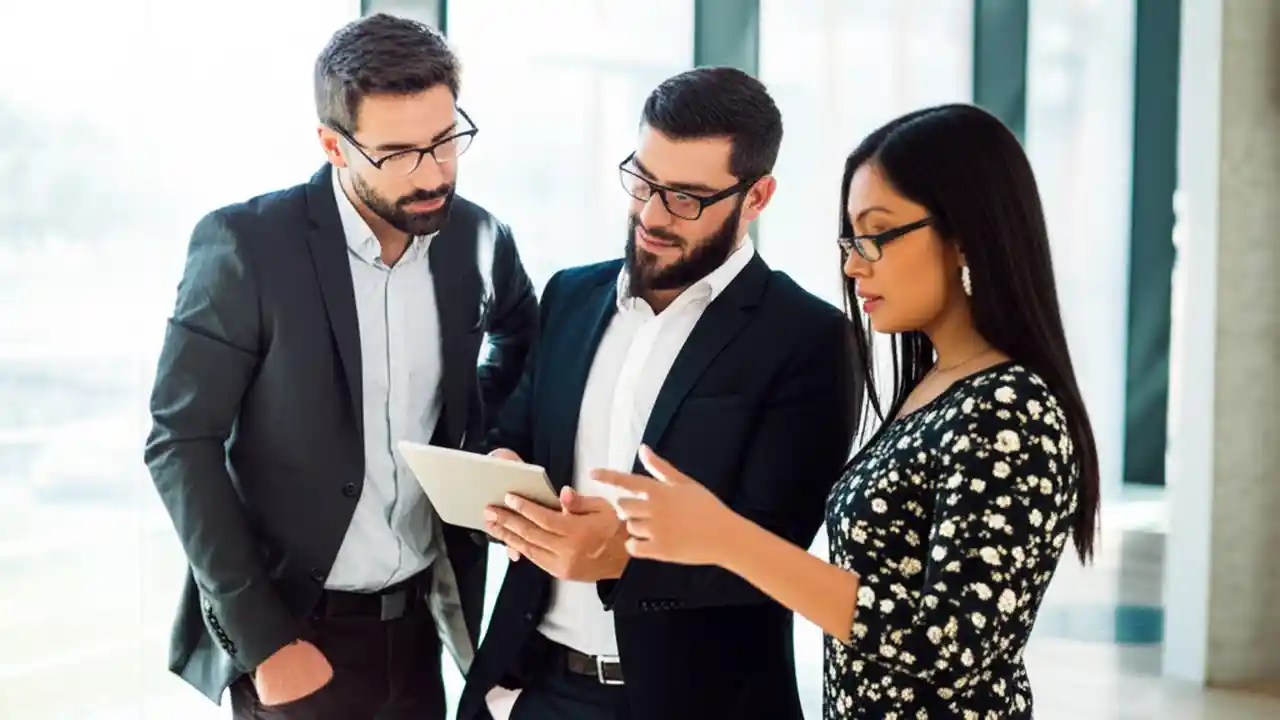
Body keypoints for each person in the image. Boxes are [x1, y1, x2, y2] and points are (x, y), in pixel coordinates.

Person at [596, 104, 1101, 720]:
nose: (852, 263)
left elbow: (950, 647)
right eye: (849, 239)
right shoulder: (936, 385)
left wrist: (724, 538)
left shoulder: (1008, 409)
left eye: (876, 235)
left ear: (965, 235)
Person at [144, 14, 538, 719]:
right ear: (334, 145)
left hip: (423, 630)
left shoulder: (478, 237)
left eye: (447, 141)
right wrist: (265, 646)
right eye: (398, 153)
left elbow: (522, 340)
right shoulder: (247, 247)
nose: (433, 173)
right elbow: (179, 441)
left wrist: (484, 444)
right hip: (298, 633)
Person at [455, 67, 855, 720]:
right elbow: (518, 435)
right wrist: (502, 472)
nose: (651, 214)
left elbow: (775, 555)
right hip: (537, 688)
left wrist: (618, 559)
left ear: (756, 198)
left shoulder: (808, 338)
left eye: (687, 198)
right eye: (642, 181)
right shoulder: (571, 295)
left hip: (697, 703)